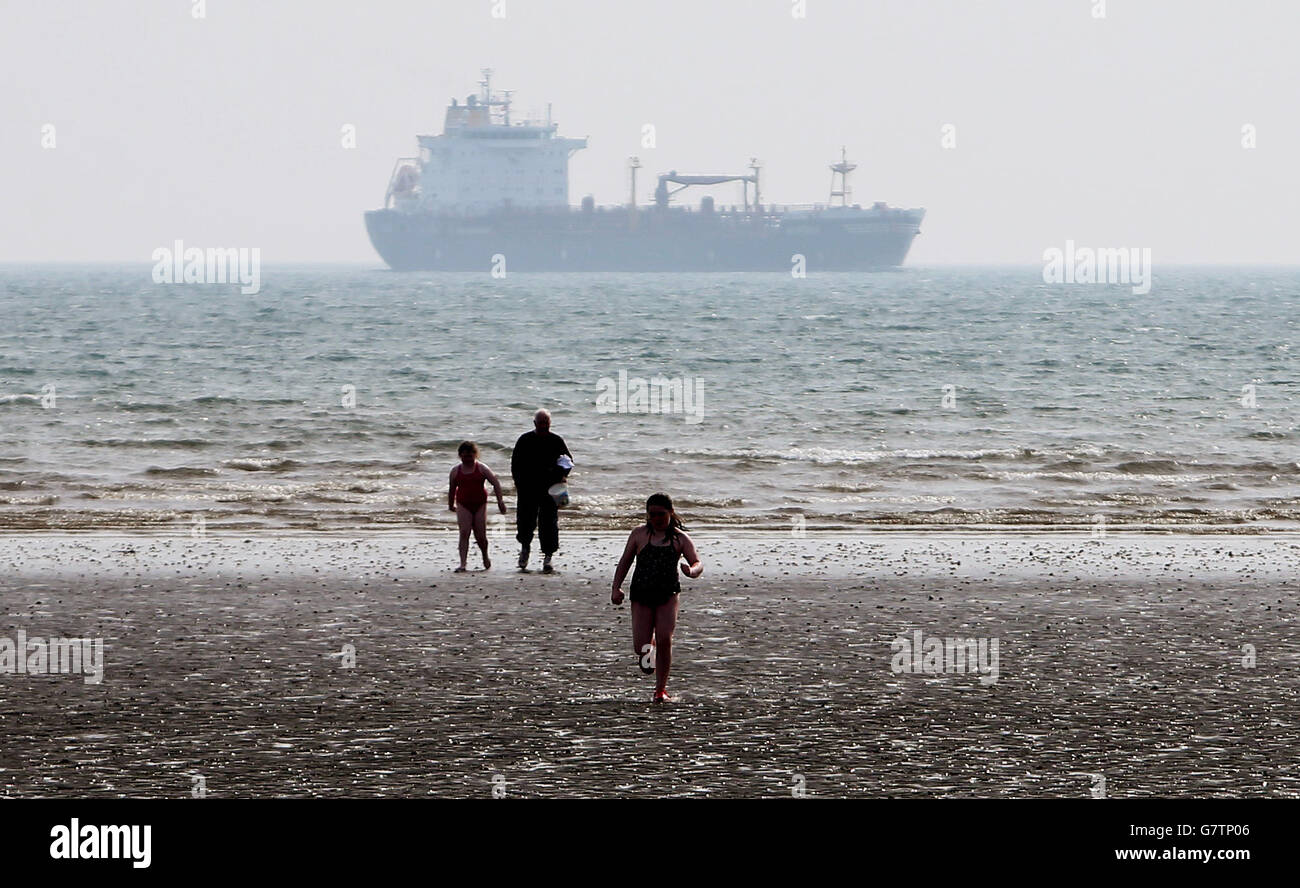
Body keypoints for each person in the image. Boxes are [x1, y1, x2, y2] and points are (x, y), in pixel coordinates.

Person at [611, 493, 703, 702]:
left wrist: (692, 571)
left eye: (661, 514)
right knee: (640, 646)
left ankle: (660, 689)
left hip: (668, 594)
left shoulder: (679, 538)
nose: (656, 519)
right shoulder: (639, 535)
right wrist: (616, 588)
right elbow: (624, 562)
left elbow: (697, 562)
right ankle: (648, 648)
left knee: (664, 638)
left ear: (670, 512)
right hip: (641, 594)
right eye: (652, 514)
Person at [510, 409, 572, 572]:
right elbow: (515, 464)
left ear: (550, 424)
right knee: (525, 521)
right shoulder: (525, 440)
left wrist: (562, 475)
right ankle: (525, 549)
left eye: (546, 423)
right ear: (534, 423)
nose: (543, 426)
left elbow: (568, 461)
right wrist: (518, 483)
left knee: (549, 523)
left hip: (550, 490)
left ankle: (548, 557)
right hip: (527, 488)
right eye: (541, 423)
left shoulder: (556, 440)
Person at [448, 441, 506, 572]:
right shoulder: (455, 471)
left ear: (475, 455)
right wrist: (450, 504)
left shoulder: (482, 468)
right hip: (463, 504)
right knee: (464, 532)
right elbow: (452, 489)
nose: (468, 459)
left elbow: (496, 483)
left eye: (470, 456)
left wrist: (500, 502)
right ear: (460, 456)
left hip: (480, 504)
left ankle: (485, 556)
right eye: (465, 457)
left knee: (481, 536)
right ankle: (463, 563)